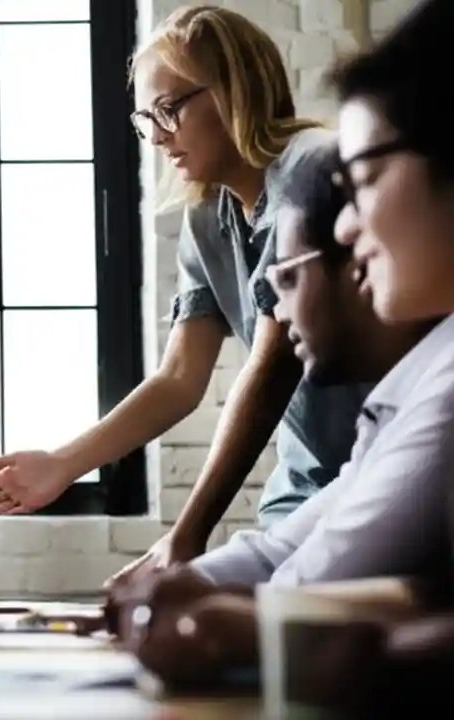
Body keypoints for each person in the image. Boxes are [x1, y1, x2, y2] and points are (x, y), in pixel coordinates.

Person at [109, 1, 454, 683]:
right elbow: (293, 554)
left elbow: (322, 576)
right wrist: (197, 583)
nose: (348, 231)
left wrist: (253, 619)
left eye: (365, 181)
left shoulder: (442, 388)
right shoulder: (415, 384)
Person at [0, 5, 370, 585]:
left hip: (385, 466)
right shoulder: (208, 218)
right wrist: (64, 463)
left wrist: (187, 533)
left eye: (169, 109)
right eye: (144, 119)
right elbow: (180, 378)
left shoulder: (310, 170)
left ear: (236, 90)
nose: (157, 136)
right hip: (304, 487)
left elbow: (272, 363)